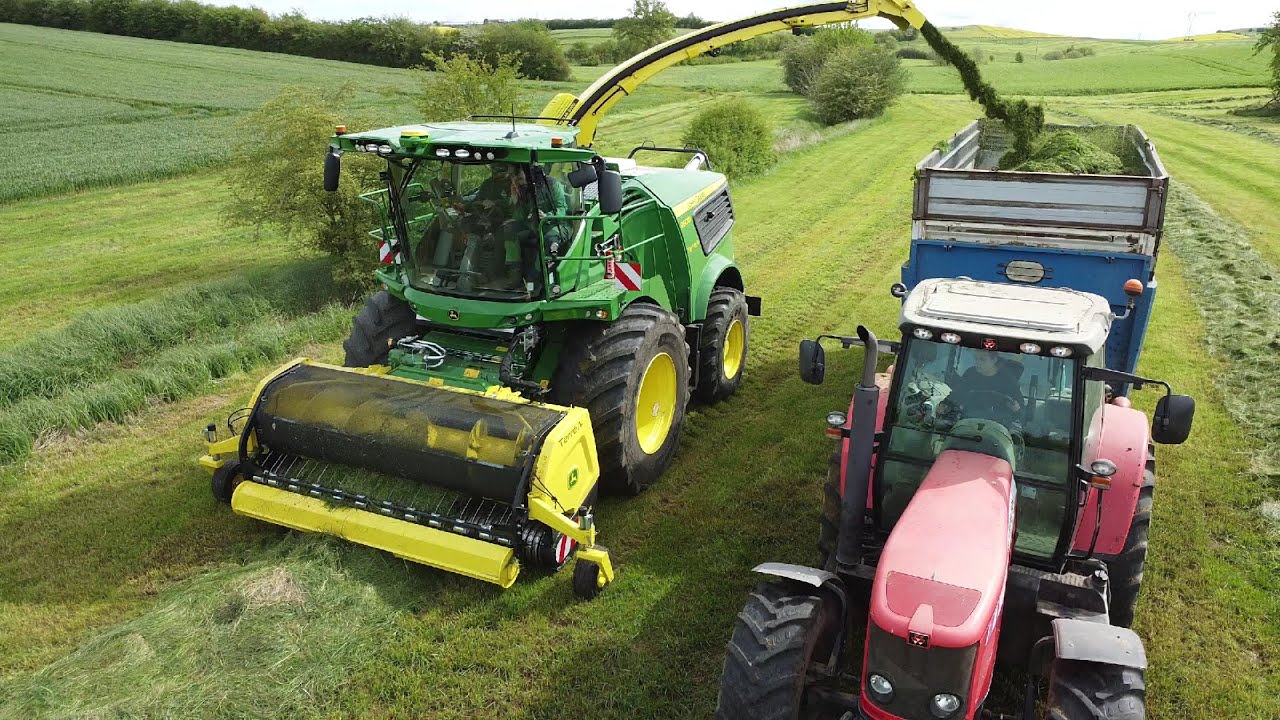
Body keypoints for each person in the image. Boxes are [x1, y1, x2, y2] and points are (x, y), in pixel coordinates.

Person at [945, 350, 1023, 423]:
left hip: (999, 425)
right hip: (968, 420)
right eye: (976, 359)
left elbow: (1020, 409)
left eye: (982, 360)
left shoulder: (1008, 380)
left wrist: (1016, 408)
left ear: (994, 360)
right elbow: (958, 393)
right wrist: (945, 403)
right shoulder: (970, 374)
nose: (977, 363)